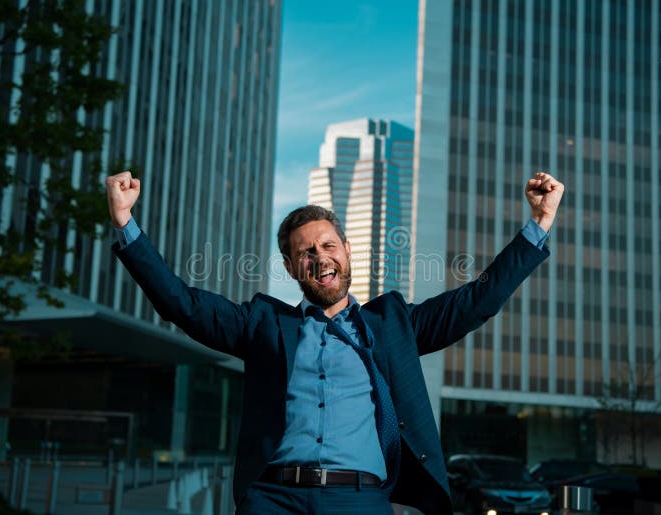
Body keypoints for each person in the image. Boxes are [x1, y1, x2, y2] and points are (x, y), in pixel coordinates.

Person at [106, 170, 564, 514]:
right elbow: (182, 303)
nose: (319, 258)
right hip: (272, 498)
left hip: (358, 498)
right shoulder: (262, 324)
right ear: (290, 268)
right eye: (305, 252)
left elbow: (477, 301)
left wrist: (538, 223)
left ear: (346, 250)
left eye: (328, 245)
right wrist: (125, 223)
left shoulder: (391, 325)